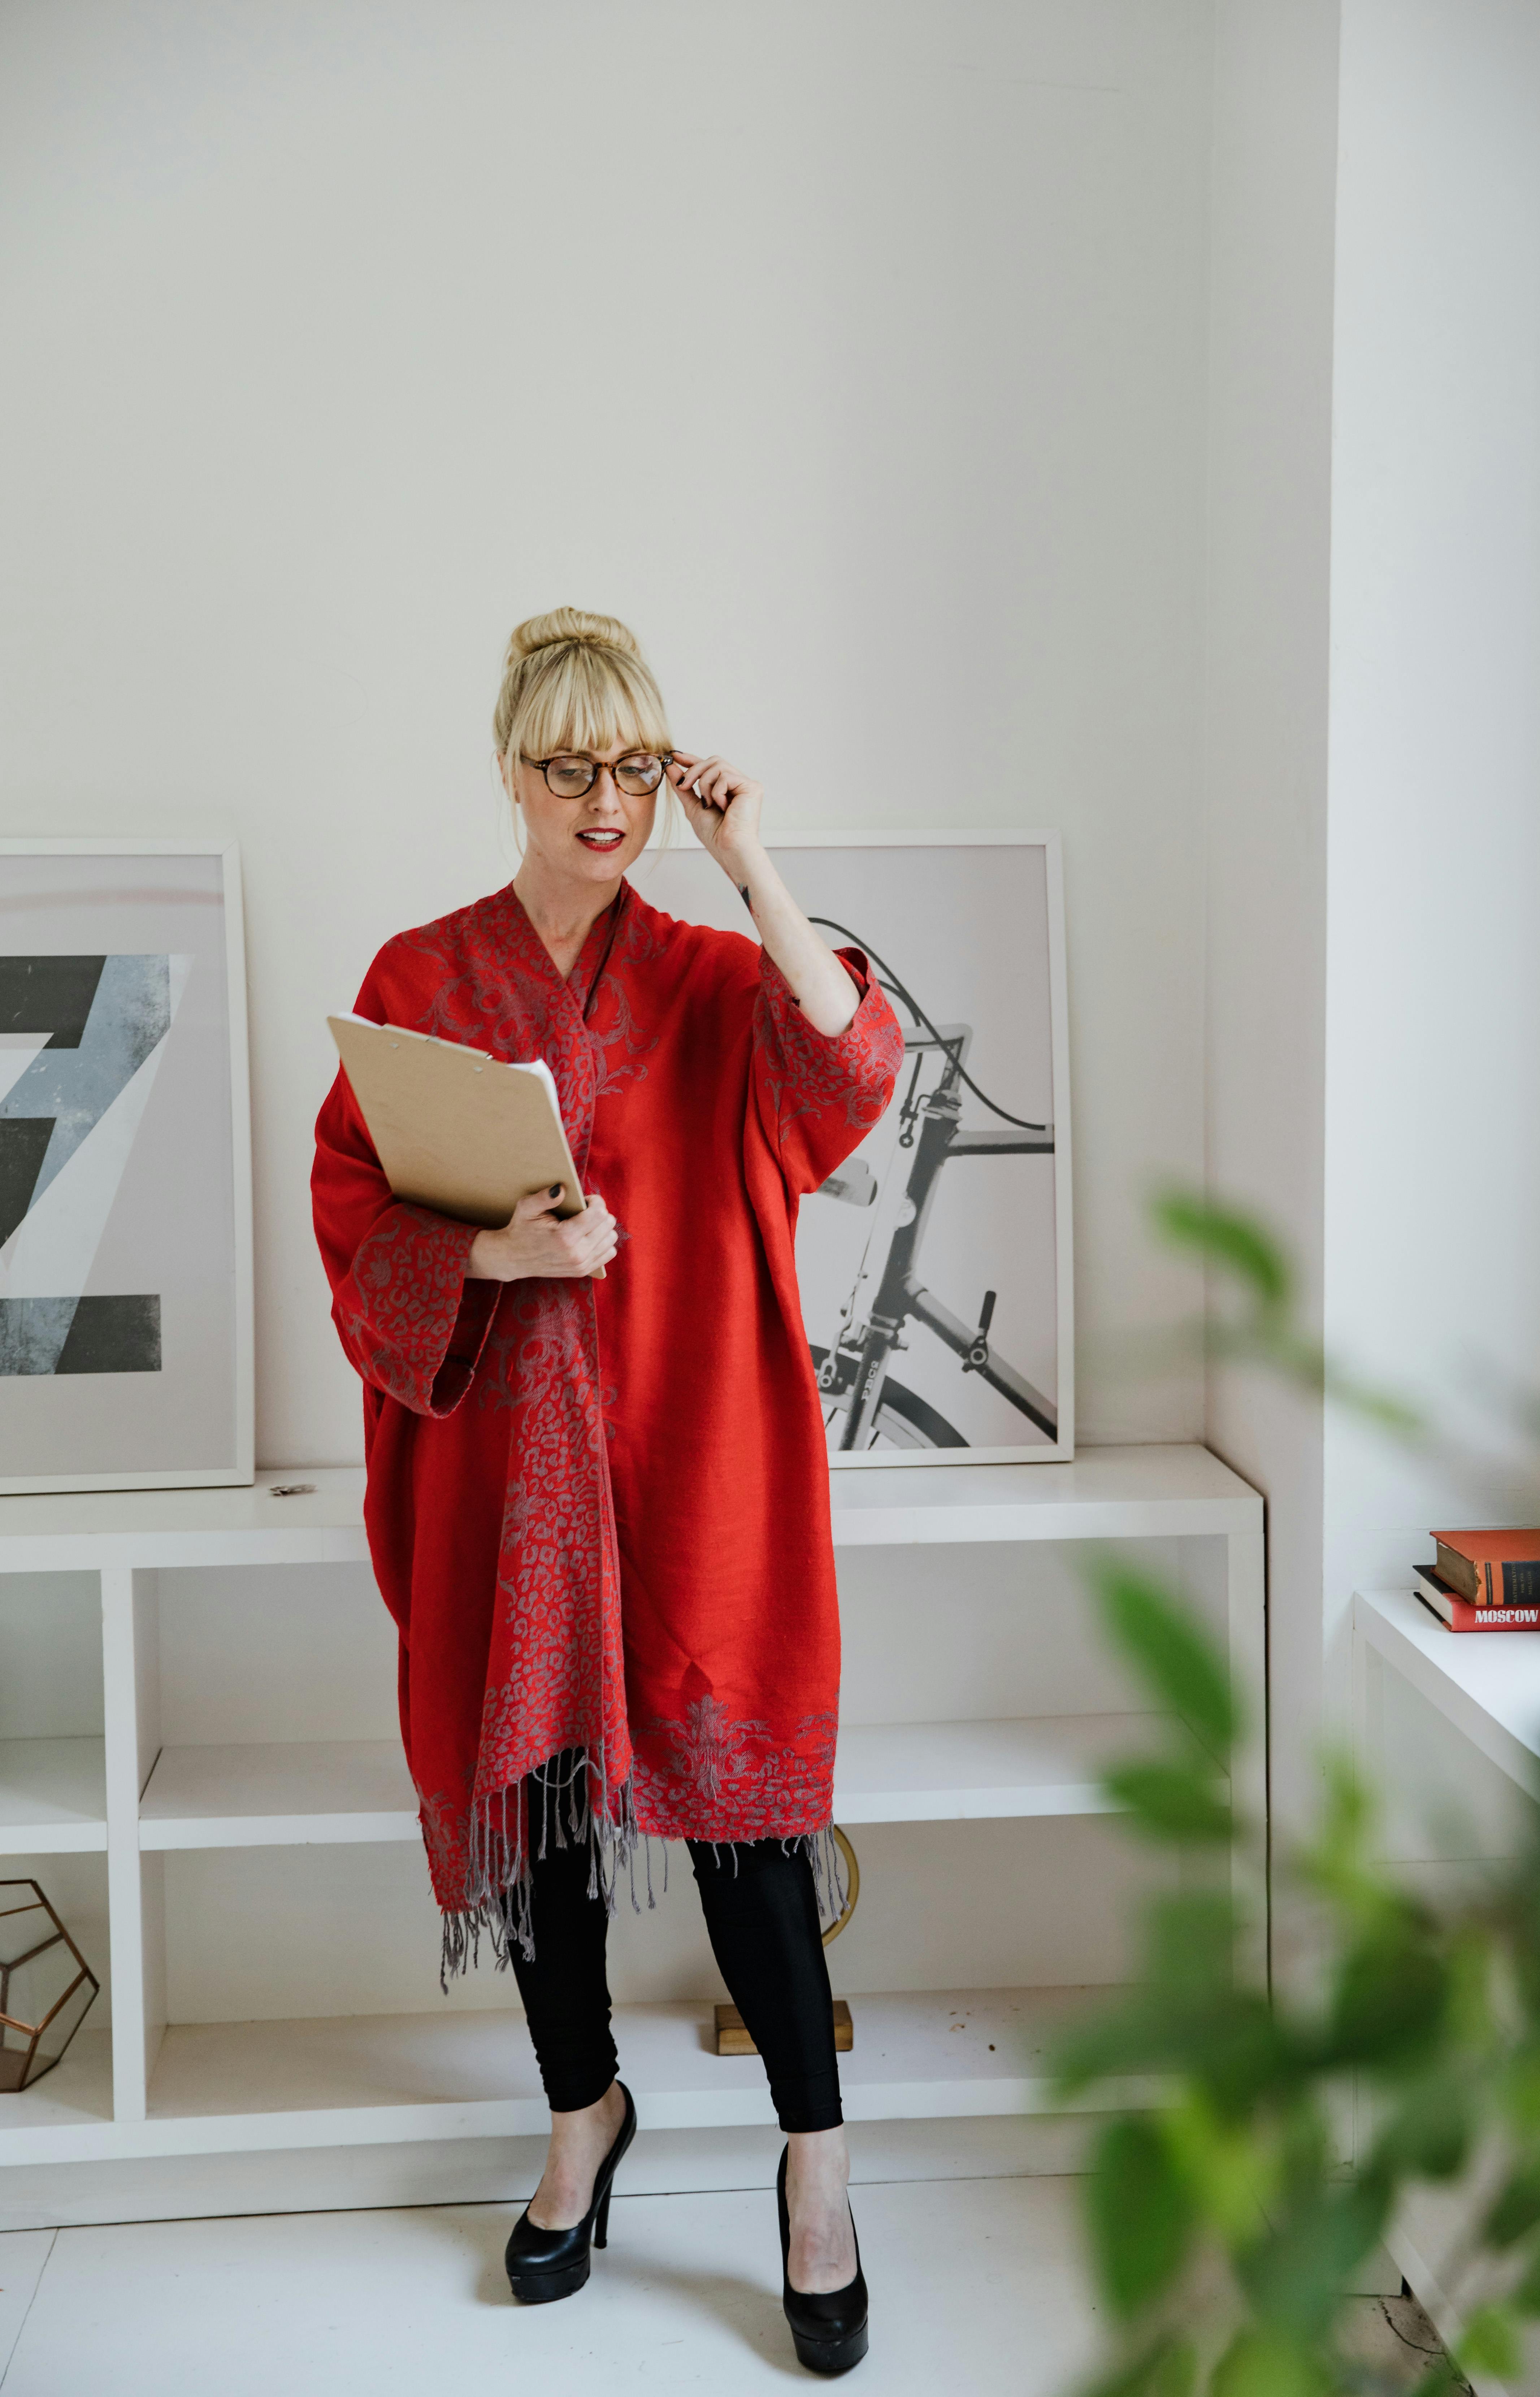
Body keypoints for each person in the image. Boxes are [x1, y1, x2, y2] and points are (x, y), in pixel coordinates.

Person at [311, 608, 903, 2374]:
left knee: (746, 1831)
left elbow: (858, 1068)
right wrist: (499, 1251)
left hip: (695, 1463)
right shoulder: (420, 980)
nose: (604, 801)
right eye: (571, 765)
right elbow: (358, 1220)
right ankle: (587, 2116)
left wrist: (753, 864)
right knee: (544, 1820)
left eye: (632, 767)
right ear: (509, 765)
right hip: (509, 1486)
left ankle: (818, 2166)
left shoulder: (716, 978)